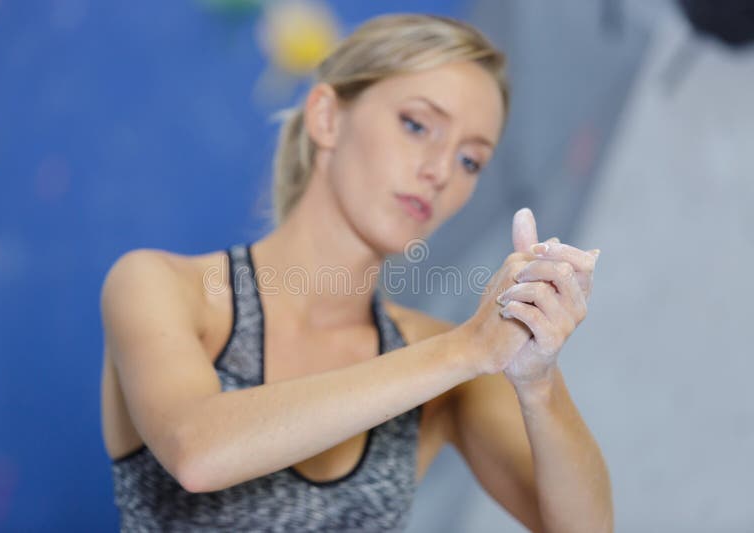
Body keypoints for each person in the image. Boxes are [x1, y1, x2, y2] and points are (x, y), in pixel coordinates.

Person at [99, 13, 612, 532]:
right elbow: (197, 452)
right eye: (417, 125)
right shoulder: (162, 287)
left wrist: (539, 382)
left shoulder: (448, 365)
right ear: (327, 117)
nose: (439, 171)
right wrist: (466, 350)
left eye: (470, 161)